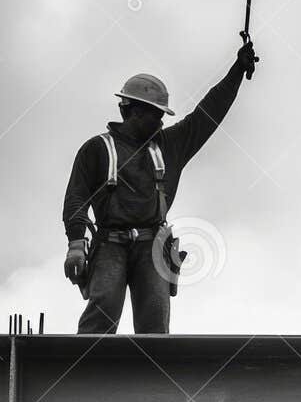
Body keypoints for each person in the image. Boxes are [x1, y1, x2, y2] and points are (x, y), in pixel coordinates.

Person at [61, 41, 259, 334]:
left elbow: (207, 115)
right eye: (155, 114)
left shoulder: (169, 146)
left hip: (152, 245)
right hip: (109, 244)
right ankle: (84, 373)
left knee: (155, 317)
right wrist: (76, 244)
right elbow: (77, 197)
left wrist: (237, 70)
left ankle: (152, 377)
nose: (161, 120)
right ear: (131, 111)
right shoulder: (97, 149)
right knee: (103, 307)